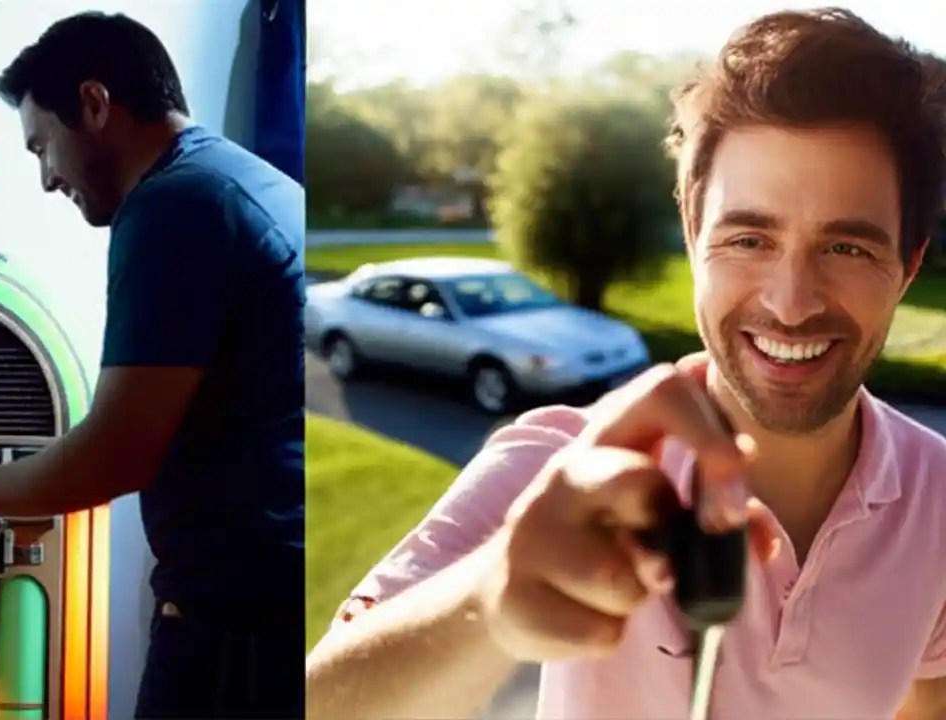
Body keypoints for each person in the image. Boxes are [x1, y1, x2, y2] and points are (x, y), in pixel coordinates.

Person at [305, 8, 946, 719]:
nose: (791, 304)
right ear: (692, 233)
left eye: (846, 248)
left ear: (909, 264)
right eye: (748, 239)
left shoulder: (940, 499)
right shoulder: (561, 467)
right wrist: (489, 599)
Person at [0, 11, 305, 719]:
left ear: (96, 105)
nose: (46, 179)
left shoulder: (177, 204)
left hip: (241, 629)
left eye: (42, 146)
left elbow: (116, 455)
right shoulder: (246, 183)